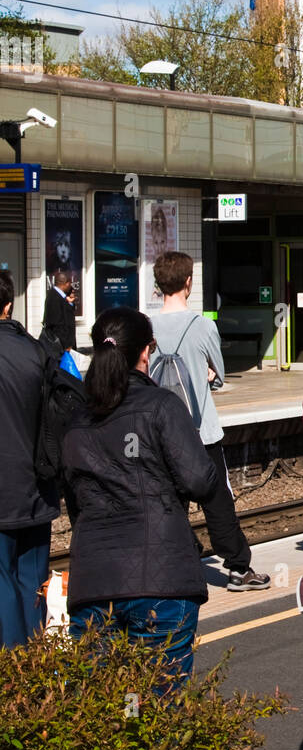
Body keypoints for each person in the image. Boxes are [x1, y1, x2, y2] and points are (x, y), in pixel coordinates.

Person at [61, 307, 219, 688]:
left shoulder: (75, 423)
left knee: (108, 704)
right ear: (146, 352)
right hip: (162, 580)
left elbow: (74, 504)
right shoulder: (162, 406)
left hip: (94, 583)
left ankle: (123, 737)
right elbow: (200, 480)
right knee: (156, 704)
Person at [151, 252, 269, 593]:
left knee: (170, 503)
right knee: (218, 501)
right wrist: (208, 375)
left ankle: (178, 562)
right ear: (189, 282)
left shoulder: (147, 326)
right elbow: (218, 377)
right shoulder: (202, 325)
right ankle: (238, 569)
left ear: (159, 286)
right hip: (202, 432)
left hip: (161, 434)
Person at [0, 270, 60, 647]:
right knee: (31, 579)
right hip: (39, 487)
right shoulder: (38, 350)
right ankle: (39, 665)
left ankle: (12, 672)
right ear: (8, 304)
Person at [41, 270, 77, 359]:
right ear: (66, 283)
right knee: (62, 371)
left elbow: (67, 316)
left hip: (64, 346)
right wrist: (66, 345)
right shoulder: (54, 297)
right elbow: (57, 324)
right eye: (70, 284)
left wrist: (70, 303)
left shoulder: (61, 297)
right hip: (60, 348)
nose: (71, 287)